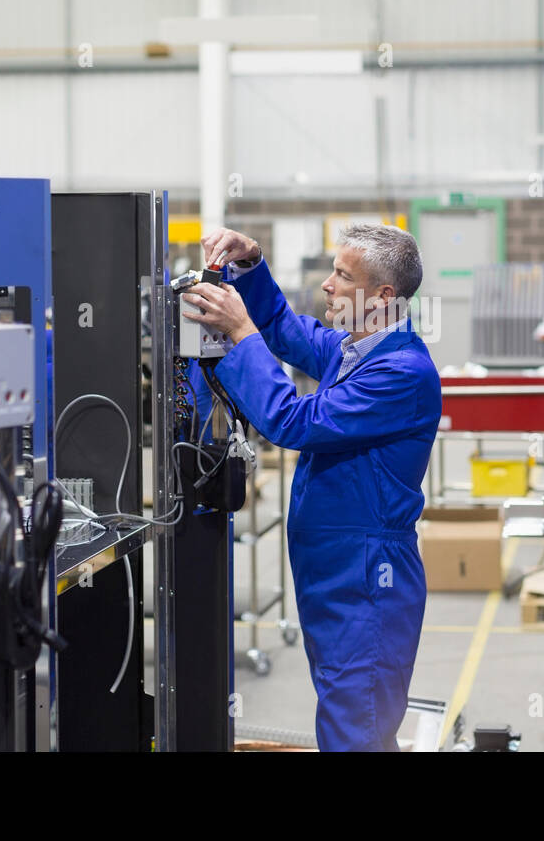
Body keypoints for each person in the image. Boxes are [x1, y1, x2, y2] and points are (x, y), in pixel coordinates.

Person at [182, 224, 441, 751]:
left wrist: (240, 336)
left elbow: (291, 422)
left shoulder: (400, 373)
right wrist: (251, 266)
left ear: (382, 296)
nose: (327, 285)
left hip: (368, 583)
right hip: (336, 577)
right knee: (353, 722)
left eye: (342, 276)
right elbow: (283, 328)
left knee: (356, 730)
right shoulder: (354, 352)